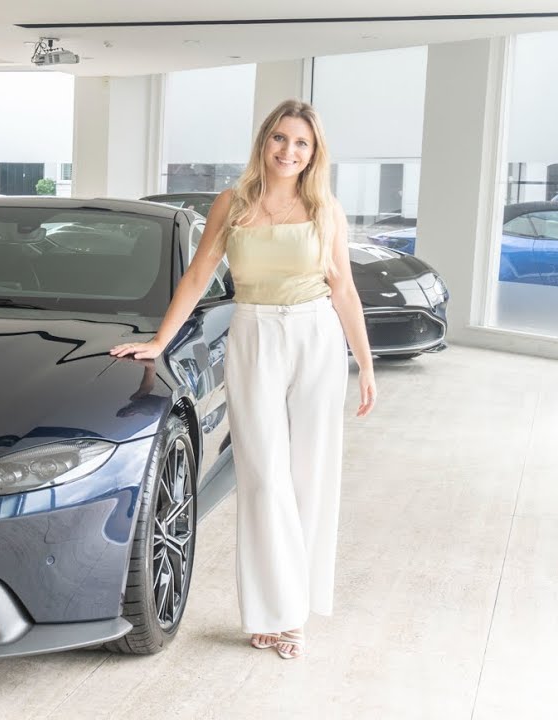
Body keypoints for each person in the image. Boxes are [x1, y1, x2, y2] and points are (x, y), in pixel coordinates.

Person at [110, 99, 376, 660]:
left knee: (311, 474)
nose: (289, 151)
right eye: (280, 138)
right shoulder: (231, 203)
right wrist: (159, 340)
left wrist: (366, 363)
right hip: (253, 333)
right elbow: (198, 274)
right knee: (263, 476)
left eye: (301, 143)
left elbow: (344, 289)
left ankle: (294, 614)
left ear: (314, 152)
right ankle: (268, 608)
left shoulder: (325, 209)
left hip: (316, 336)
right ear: (264, 141)